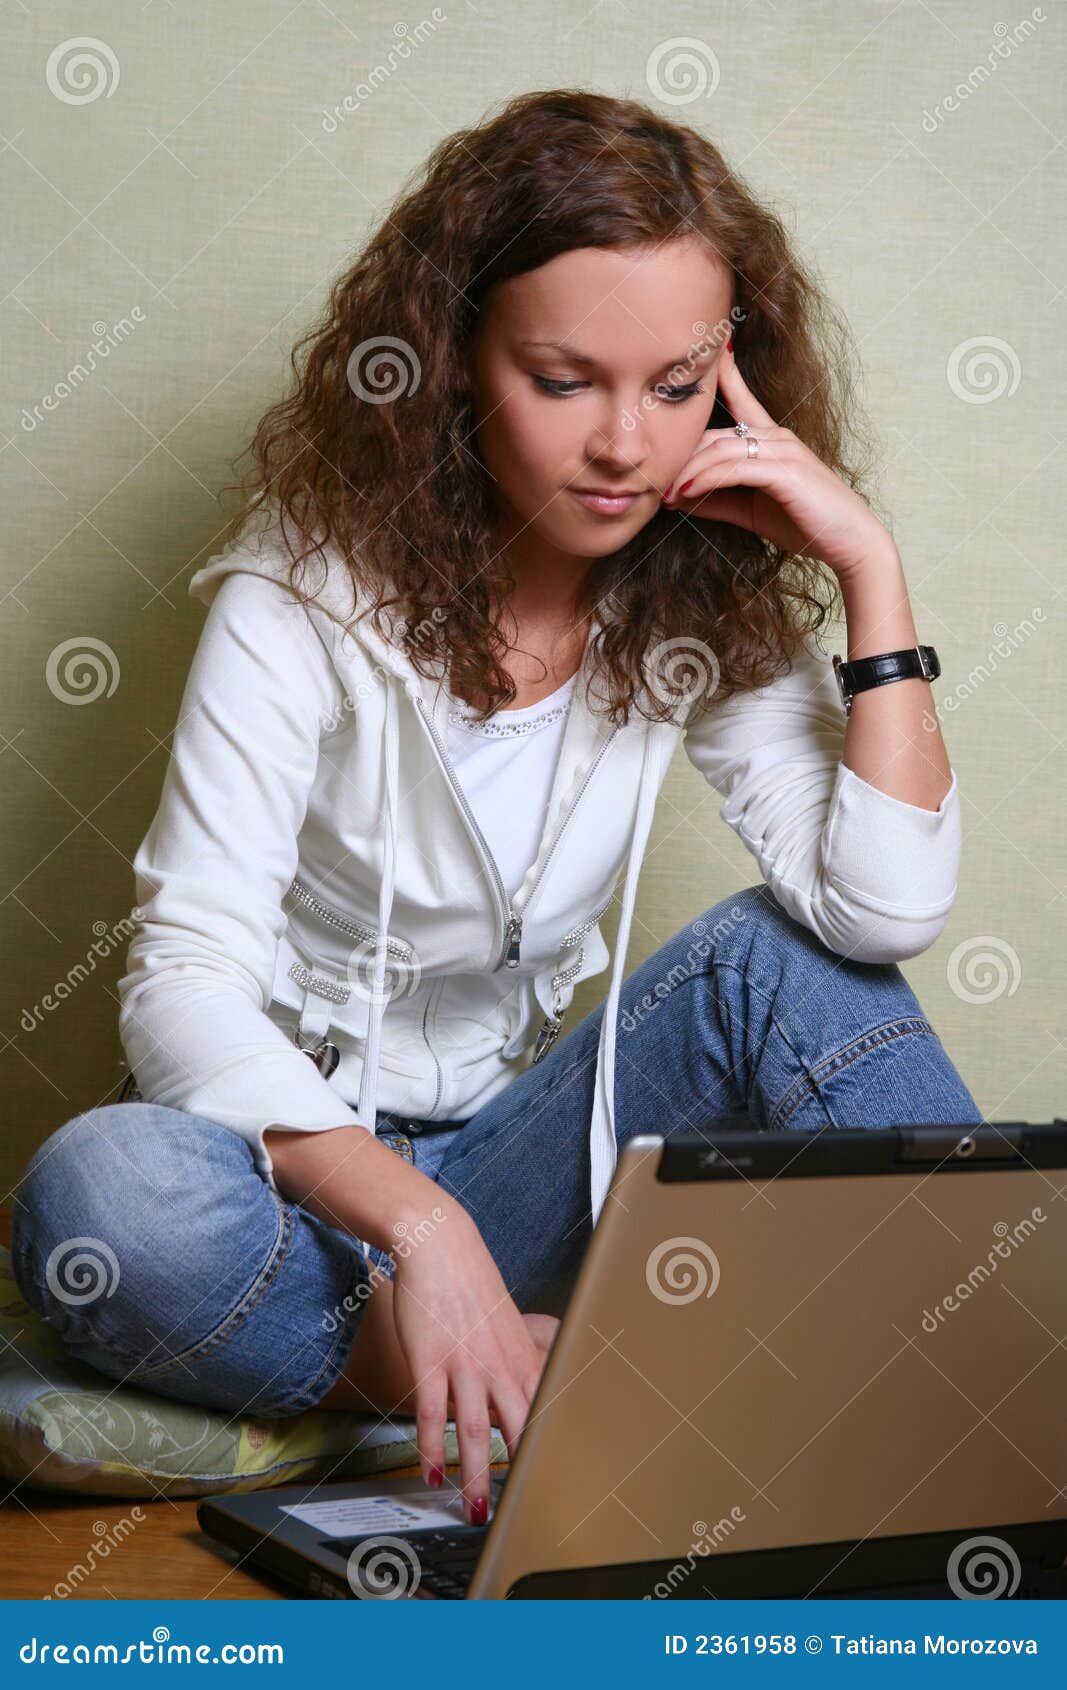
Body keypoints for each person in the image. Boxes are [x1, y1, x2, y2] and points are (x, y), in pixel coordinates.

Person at [12, 88, 979, 1531]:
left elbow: (881, 907)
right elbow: (180, 984)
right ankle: (517, 1371)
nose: (627, 446)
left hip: (533, 1165)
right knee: (96, 1194)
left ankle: (990, 1384)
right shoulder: (297, 597)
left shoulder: (691, 596)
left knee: (787, 962)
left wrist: (870, 573)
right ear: (460, 359)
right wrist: (418, 1223)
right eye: (564, 377)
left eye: (677, 384)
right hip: (294, 1204)